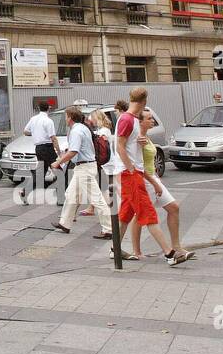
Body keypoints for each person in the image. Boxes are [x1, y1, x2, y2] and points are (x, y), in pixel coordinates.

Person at [112, 89, 189, 265]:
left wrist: (138, 143)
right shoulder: (126, 119)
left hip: (133, 172)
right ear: (144, 102)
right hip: (131, 174)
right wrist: (131, 169)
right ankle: (170, 254)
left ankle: (114, 249)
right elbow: (120, 146)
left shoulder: (130, 120)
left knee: (125, 214)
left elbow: (127, 145)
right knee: (148, 214)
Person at [129, 108, 193, 261]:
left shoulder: (147, 137)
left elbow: (150, 161)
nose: (153, 121)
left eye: (152, 118)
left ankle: (177, 247)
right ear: (140, 122)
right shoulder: (138, 139)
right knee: (141, 215)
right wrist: (153, 182)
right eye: (149, 119)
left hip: (152, 177)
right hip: (144, 179)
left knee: (174, 207)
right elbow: (138, 165)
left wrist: (156, 177)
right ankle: (137, 251)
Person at [51, 106, 112, 238]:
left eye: (66, 116)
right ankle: (65, 223)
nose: (65, 119)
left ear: (70, 118)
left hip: (85, 168)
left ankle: (108, 229)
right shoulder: (83, 128)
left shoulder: (76, 131)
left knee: (97, 199)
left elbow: (74, 151)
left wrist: (58, 162)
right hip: (84, 167)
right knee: (71, 194)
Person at [24, 104, 58, 186]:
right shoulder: (48, 121)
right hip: (47, 147)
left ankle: (25, 191)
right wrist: (59, 152)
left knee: (41, 171)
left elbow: (25, 131)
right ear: (48, 109)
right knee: (57, 168)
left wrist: (36, 134)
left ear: (39, 108)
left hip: (38, 148)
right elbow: (53, 138)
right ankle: (64, 187)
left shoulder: (33, 119)